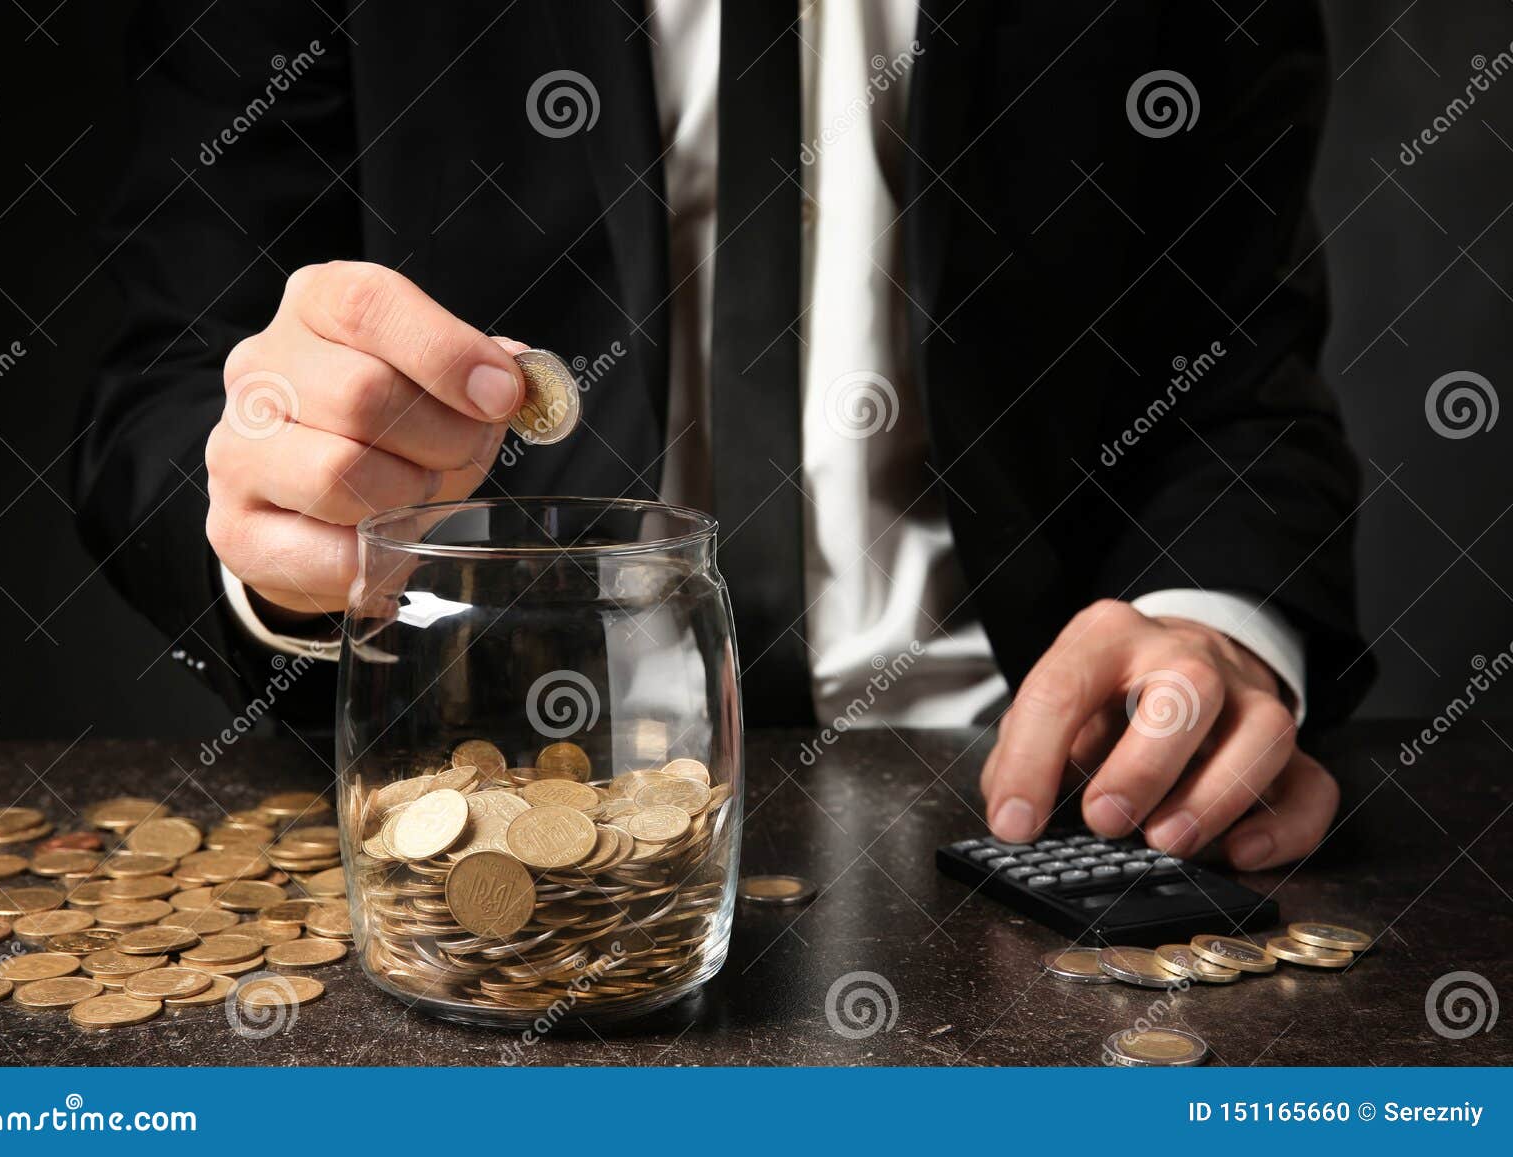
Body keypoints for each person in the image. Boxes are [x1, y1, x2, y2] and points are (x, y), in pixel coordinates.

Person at [77, 0, 1372, 871]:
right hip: (492, 809)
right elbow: (166, 386)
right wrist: (279, 513)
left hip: (1029, 799)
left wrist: (1212, 635)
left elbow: (1235, 373)